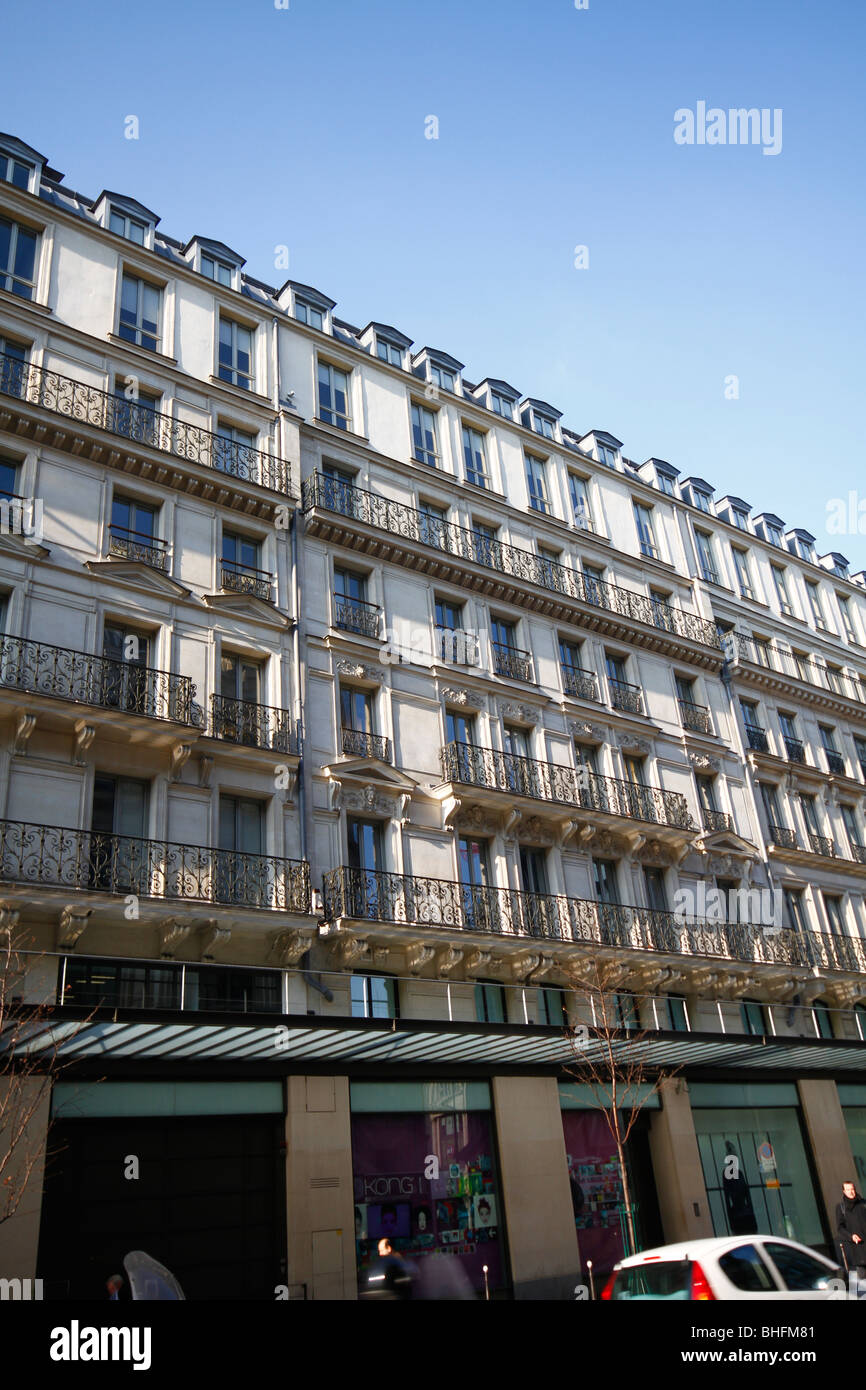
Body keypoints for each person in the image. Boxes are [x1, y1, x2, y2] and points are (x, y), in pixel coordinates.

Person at [836, 1180, 866, 1280]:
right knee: (863, 1282)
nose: (851, 1192)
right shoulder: (841, 1208)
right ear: (844, 1192)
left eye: (852, 1189)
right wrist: (851, 1236)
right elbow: (840, 1228)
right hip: (857, 1251)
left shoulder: (863, 1203)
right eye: (848, 1190)